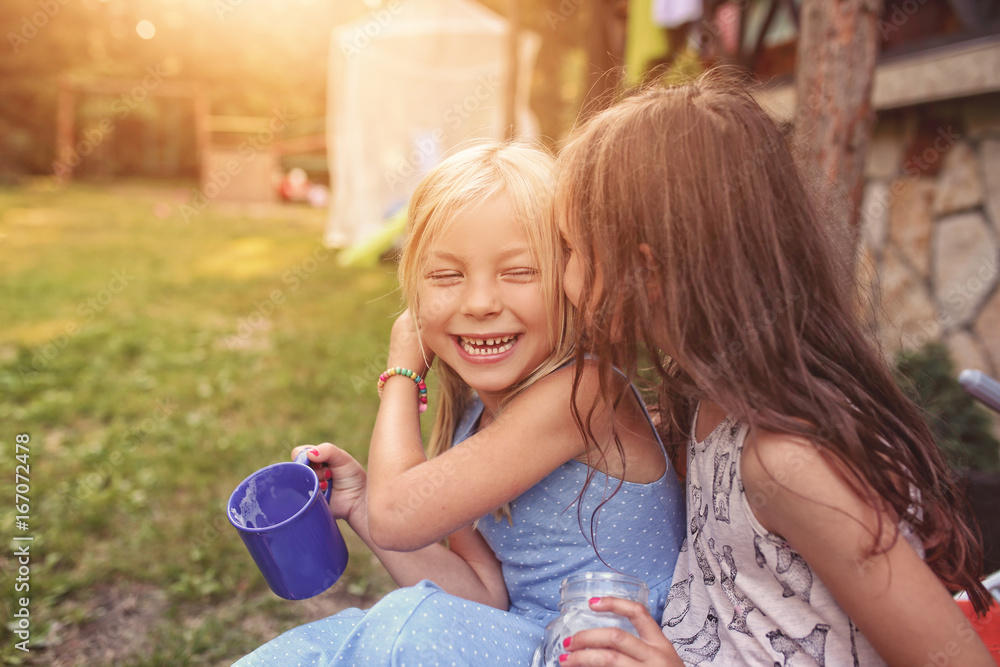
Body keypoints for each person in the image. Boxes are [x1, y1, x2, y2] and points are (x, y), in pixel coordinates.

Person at [553, 72, 995, 666]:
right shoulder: (703, 395)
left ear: (646, 269)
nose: (561, 275)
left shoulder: (791, 462)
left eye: (572, 250)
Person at [235, 141, 685, 665]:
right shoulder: (472, 423)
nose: (480, 303)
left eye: (519, 271)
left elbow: (398, 515)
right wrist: (359, 503)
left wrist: (403, 371)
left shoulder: (583, 394)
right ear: (416, 292)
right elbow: (481, 597)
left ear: (568, 278)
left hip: (606, 653)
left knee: (412, 625)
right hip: (530, 640)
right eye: (447, 276)